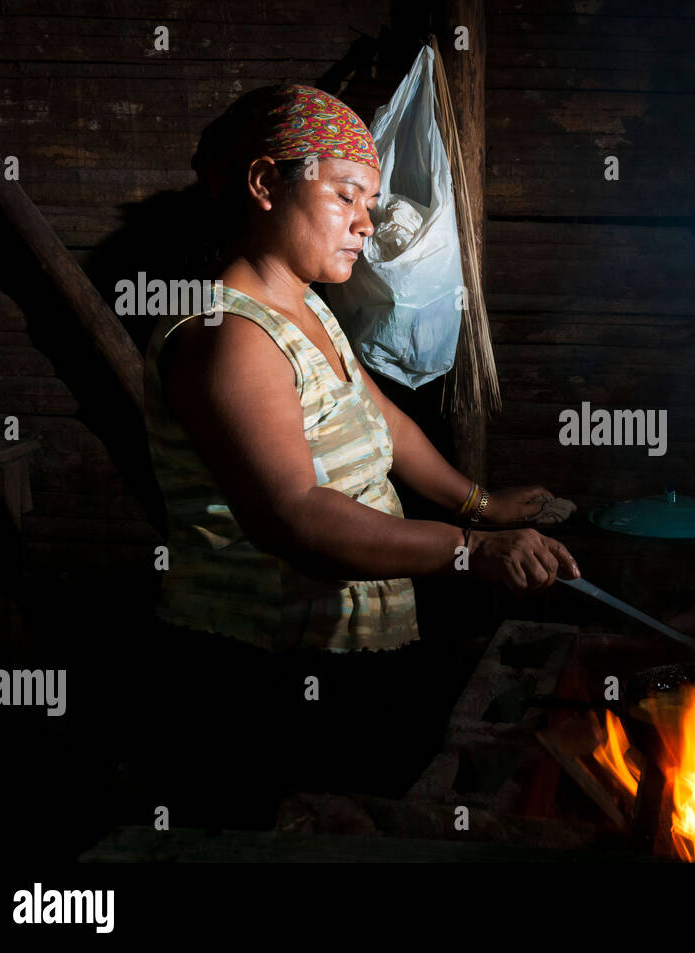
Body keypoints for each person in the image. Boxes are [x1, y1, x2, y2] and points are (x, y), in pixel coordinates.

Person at [135, 84, 578, 826]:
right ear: (265, 183)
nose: (366, 224)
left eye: (368, 202)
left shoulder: (307, 309)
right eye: (346, 195)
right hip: (265, 672)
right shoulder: (229, 336)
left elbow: (387, 424)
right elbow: (297, 518)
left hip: (347, 652)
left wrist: (482, 502)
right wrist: (472, 549)